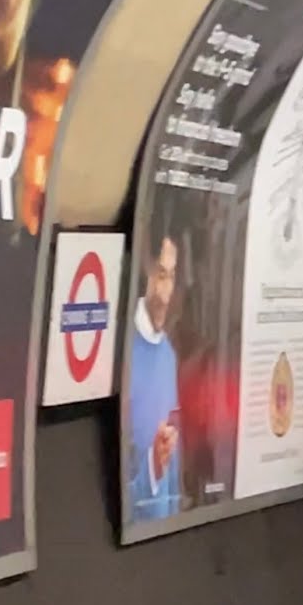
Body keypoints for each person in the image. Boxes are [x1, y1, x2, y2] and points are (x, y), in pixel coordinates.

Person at [127, 211, 183, 522]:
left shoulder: (168, 355)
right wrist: (153, 467)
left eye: (171, 277)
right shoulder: (124, 350)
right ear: (146, 273)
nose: (165, 291)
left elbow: (172, 459)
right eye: (161, 274)